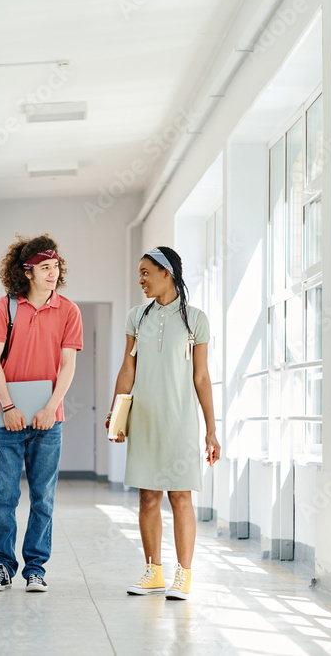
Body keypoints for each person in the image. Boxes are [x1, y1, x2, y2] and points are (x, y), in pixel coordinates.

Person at [107, 246, 221, 601]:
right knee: (147, 497)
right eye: (139, 273)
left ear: (166, 273)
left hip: (181, 422)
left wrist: (211, 429)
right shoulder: (136, 317)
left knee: (181, 497)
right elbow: (128, 369)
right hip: (145, 419)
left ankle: (183, 575)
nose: (141, 279)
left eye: (146, 272)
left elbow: (201, 377)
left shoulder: (196, 320)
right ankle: (153, 571)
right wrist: (116, 414)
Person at [0, 235, 83, 593]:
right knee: (4, 496)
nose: (52, 273)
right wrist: (7, 406)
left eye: (55, 266)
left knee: (44, 497)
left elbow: (68, 365)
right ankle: (3, 567)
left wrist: (51, 408)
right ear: (27, 271)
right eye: (44, 267)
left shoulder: (69, 310)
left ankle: (36, 568)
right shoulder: (5, 306)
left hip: (48, 419)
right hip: (7, 415)